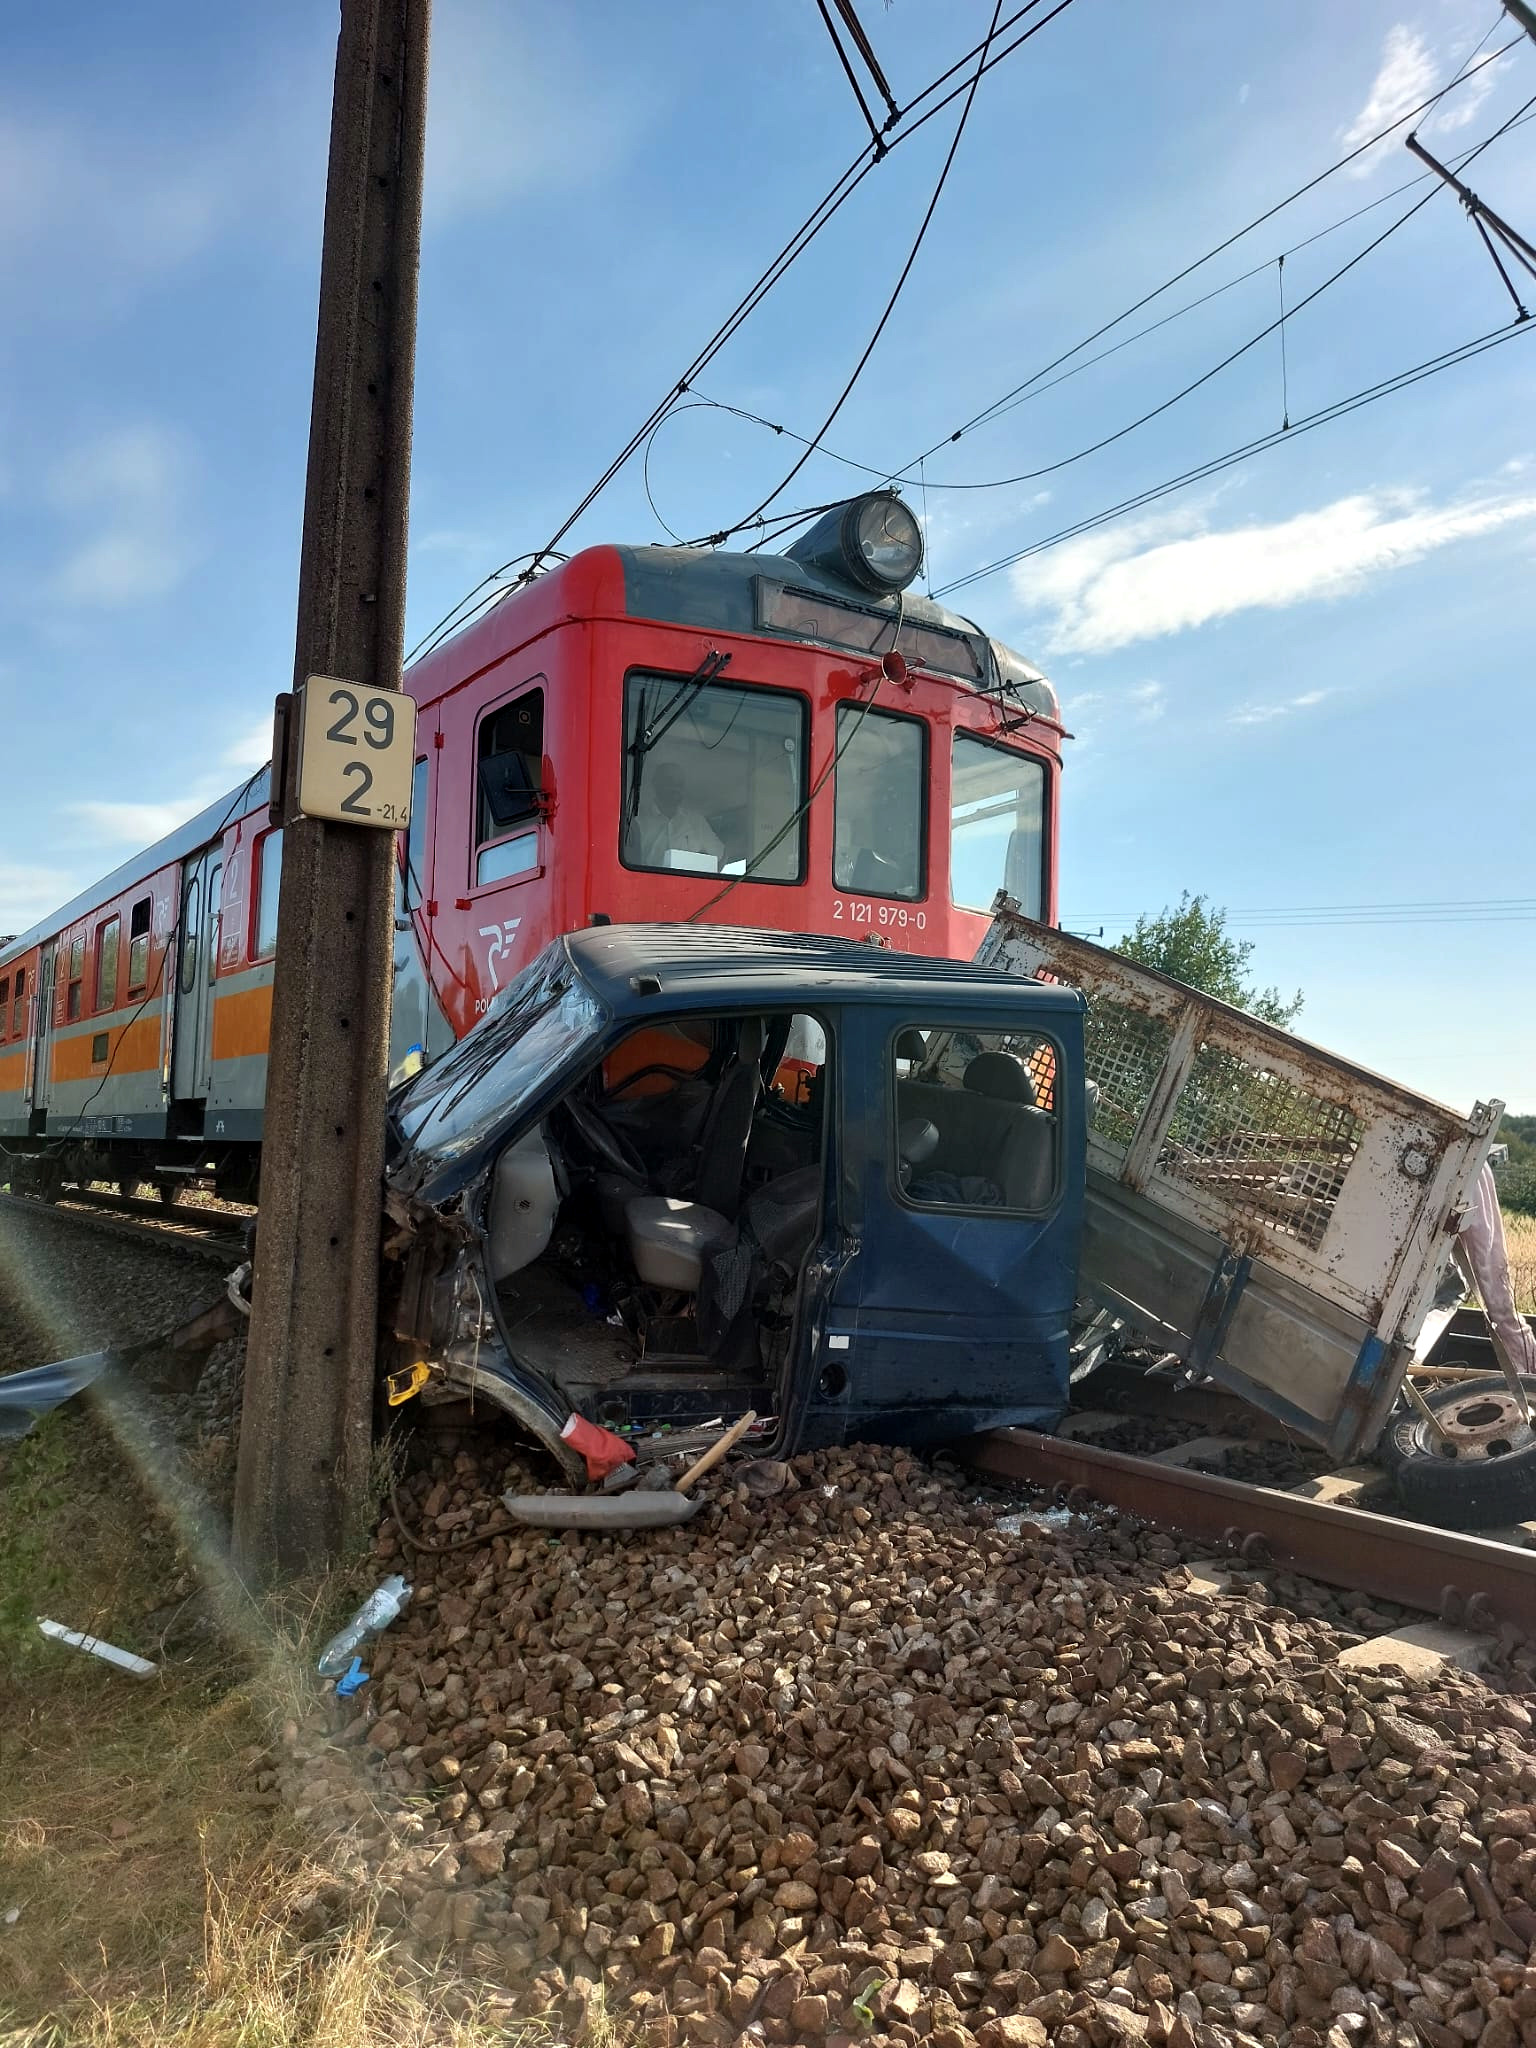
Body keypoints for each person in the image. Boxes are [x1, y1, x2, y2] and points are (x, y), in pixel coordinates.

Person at [632, 760, 724, 869]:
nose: (675, 787)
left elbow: (721, 856)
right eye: (669, 781)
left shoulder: (697, 821)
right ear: (656, 783)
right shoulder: (637, 821)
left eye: (680, 783)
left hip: (688, 886)